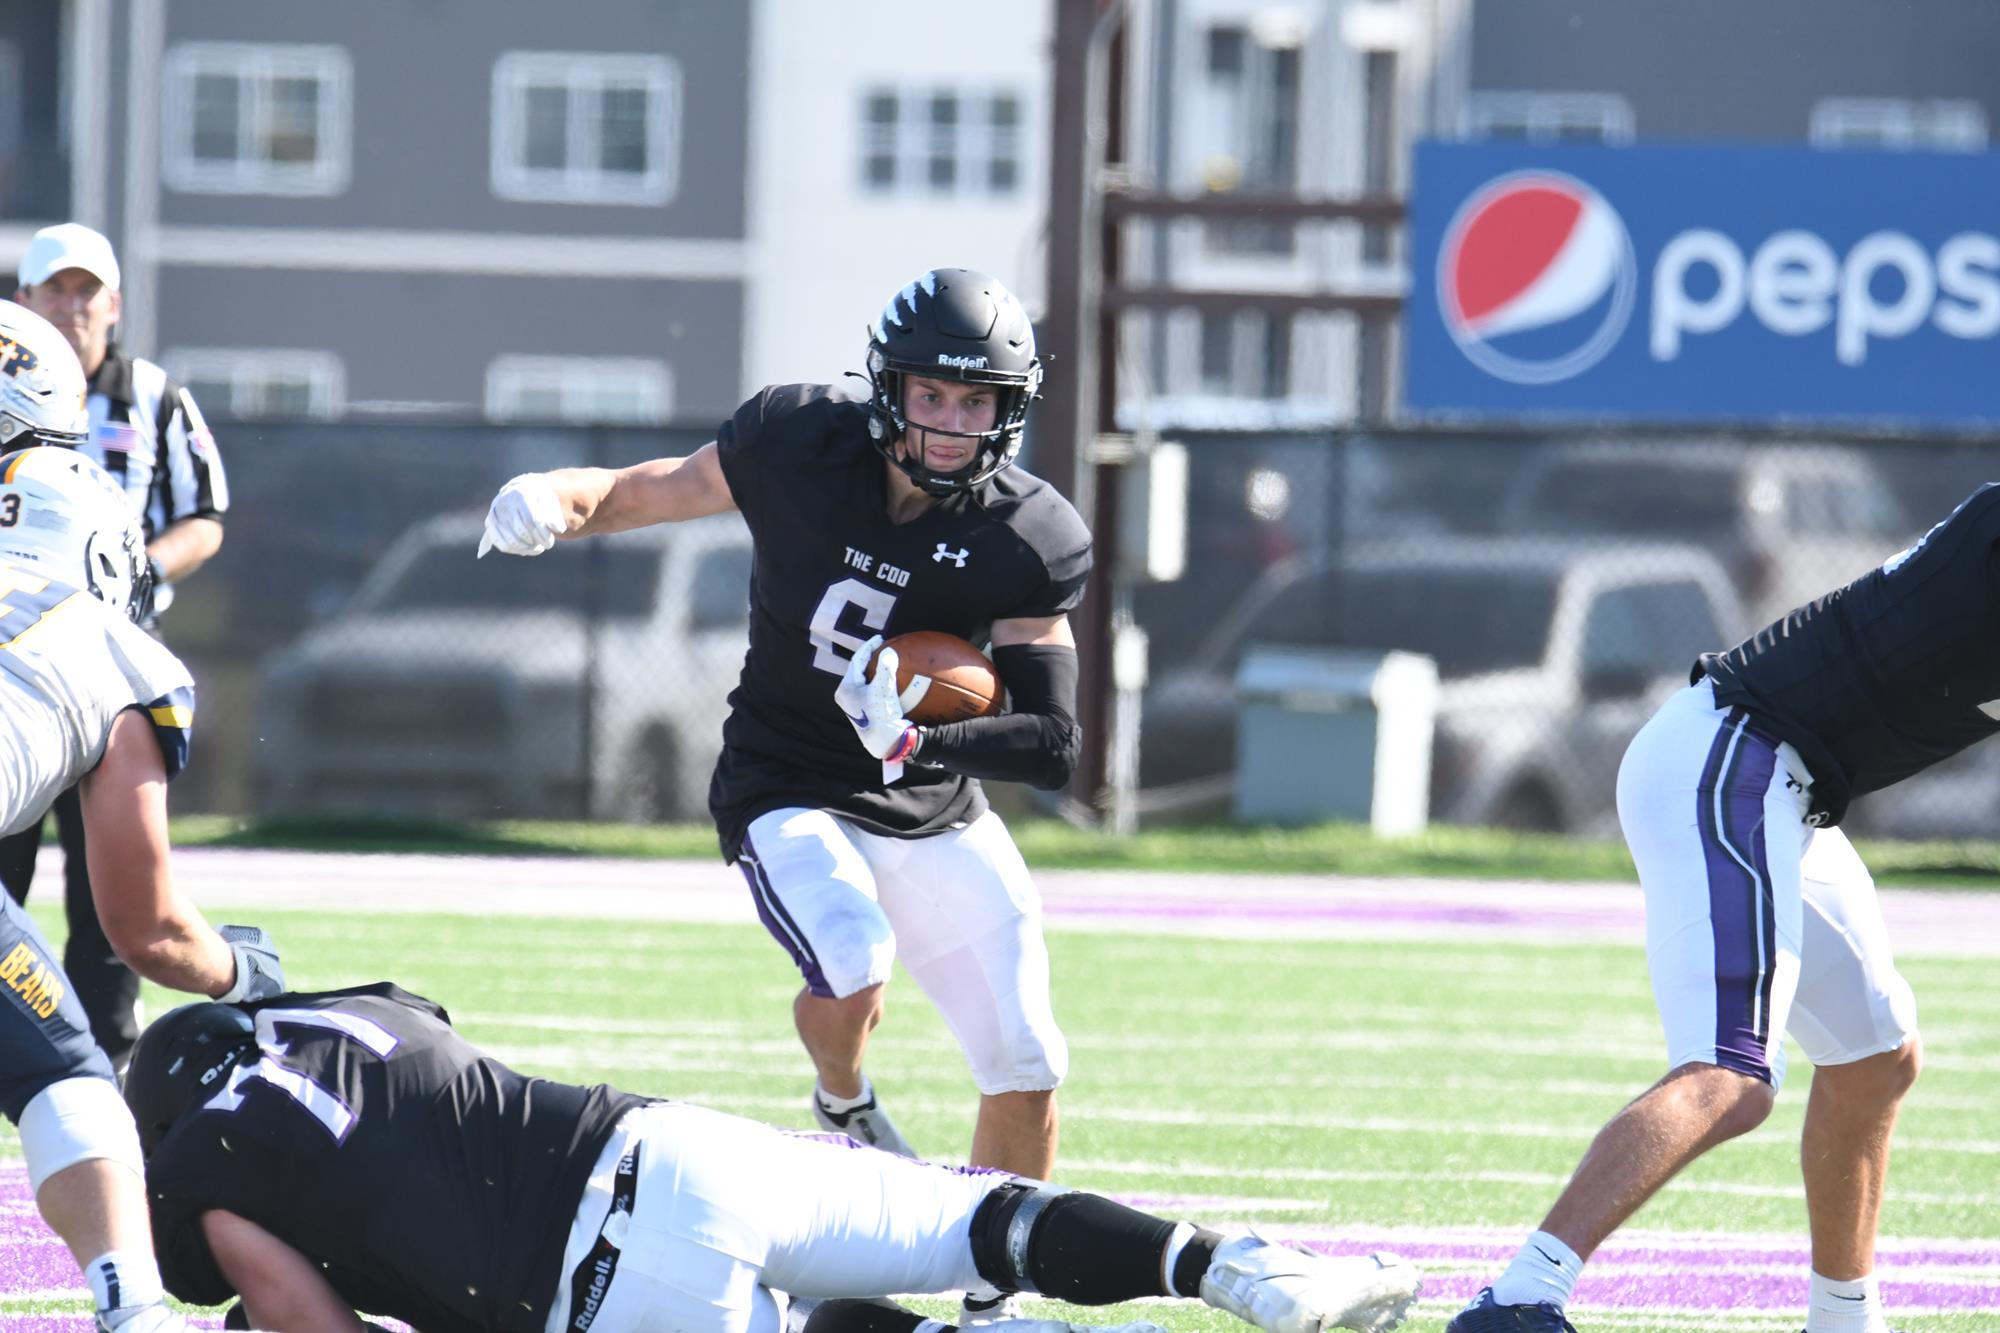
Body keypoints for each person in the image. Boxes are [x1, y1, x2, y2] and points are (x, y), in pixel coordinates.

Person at [480, 268, 1087, 1321]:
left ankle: (994, 1299)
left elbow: (1052, 741)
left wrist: (927, 736)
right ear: (886, 387)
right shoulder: (799, 442)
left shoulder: (1030, 533)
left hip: (929, 803)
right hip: (787, 778)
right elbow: (650, 487)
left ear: (1010, 406)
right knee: (852, 960)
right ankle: (842, 1098)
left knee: (1026, 1055)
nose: (951, 423)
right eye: (932, 395)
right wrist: (553, 500)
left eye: (977, 400)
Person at [1440, 491, 2000, 1333]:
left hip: (1791, 786)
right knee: (1730, 1076)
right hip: (1735, 755)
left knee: (1876, 1056)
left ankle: (1843, 1319)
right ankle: (1521, 1295)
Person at [122, 980, 1423, 1333]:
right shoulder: (356, 1011)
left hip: (598, 1297)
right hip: (671, 1147)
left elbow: (296, 1311)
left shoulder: (196, 1166)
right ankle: (1236, 1269)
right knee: (985, 1221)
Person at [0, 303, 283, 1333]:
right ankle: (134, 1307)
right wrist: (246, 973)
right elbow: (145, 928)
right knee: (64, 1067)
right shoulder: (111, 644)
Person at [2, 221, 233, 1073]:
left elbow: (204, 515)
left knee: (114, 894)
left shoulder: (157, 399)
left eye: (85, 291)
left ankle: (106, 1057)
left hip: (105, 668)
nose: (71, 307)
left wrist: (137, 582)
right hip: (13, 667)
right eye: (54, 291)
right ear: (23, 304)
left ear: (114, 304)